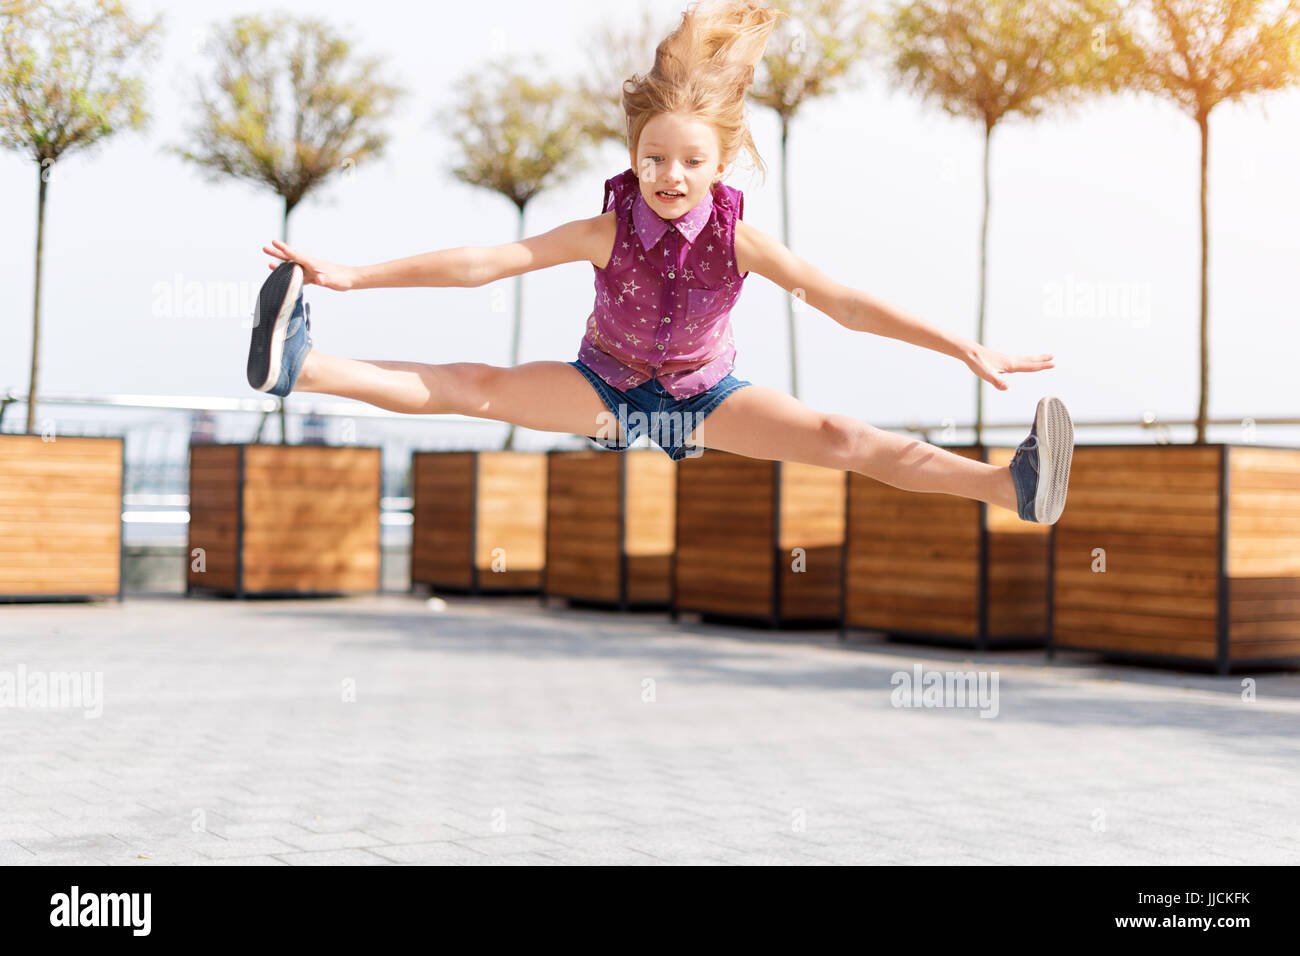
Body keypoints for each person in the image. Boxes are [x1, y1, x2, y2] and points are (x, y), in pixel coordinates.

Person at [245, 0, 1072, 524]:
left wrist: (963, 347)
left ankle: (1010, 488)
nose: (669, 176)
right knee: (477, 385)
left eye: (688, 162)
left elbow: (846, 306)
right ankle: (303, 366)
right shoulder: (606, 230)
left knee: (842, 435)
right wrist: (353, 274)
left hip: (703, 400)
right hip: (604, 388)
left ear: (720, 166)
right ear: (634, 157)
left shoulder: (739, 242)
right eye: (653, 159)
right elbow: (486, 263)